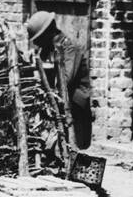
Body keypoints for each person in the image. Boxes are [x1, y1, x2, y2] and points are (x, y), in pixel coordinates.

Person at [26, 11, 92, 151]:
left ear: (48, 32)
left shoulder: (69, 47)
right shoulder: (46, 49)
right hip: (57, 103)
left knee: (73, 148)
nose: (37, 43)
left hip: (75, 106)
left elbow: (65, 80)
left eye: (39, 39)